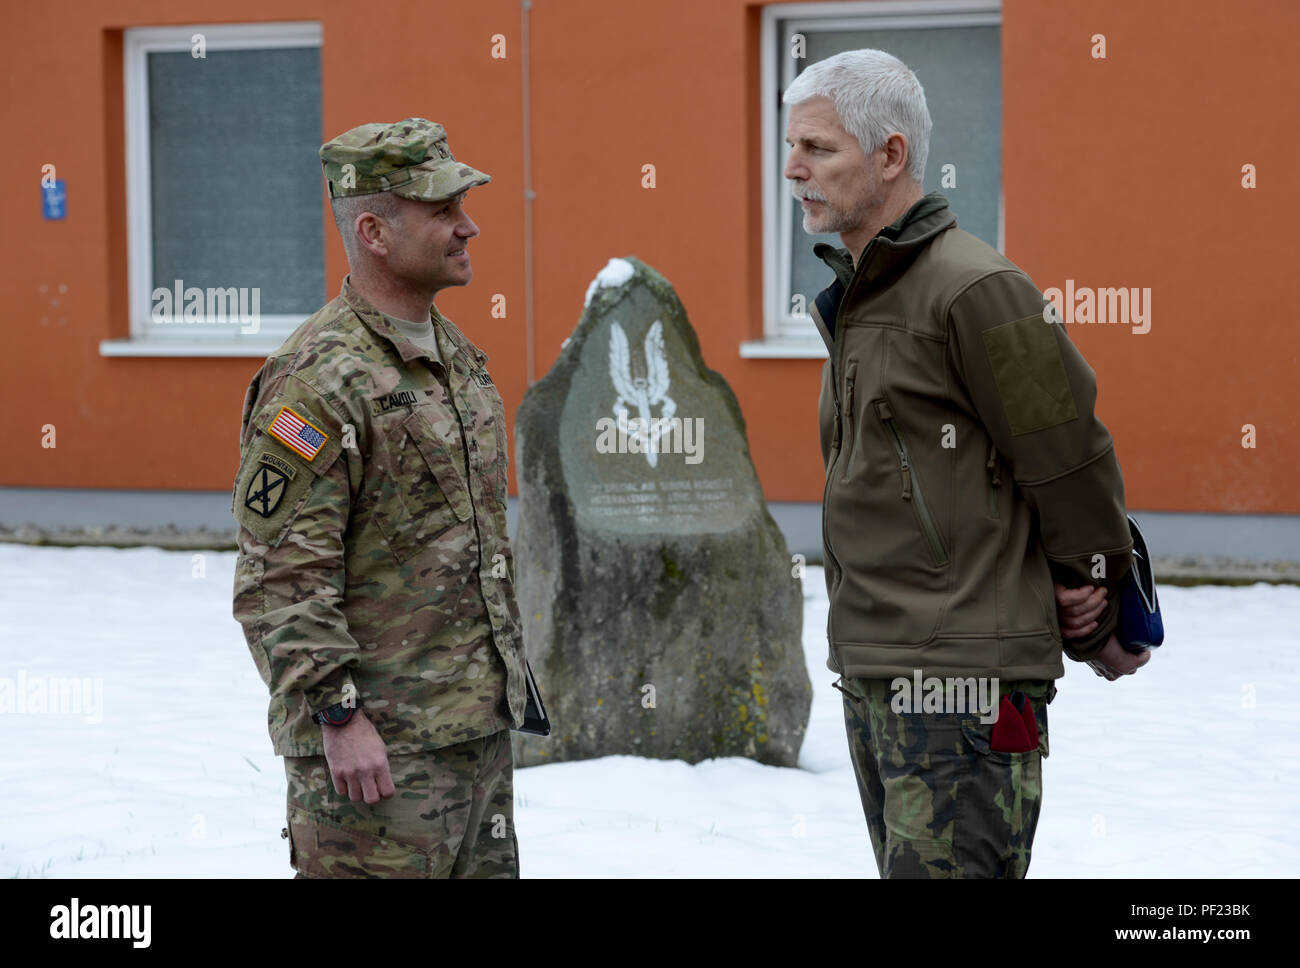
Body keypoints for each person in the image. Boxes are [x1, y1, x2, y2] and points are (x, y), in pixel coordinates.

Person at [784, 51, 1150, 878]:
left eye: (818, 148)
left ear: (891, 155)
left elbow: (1067, 458)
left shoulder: (973, 287)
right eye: (792, 147)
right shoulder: (866, 295)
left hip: (962, 684)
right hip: (877, 666)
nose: (793, 169)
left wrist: (1097, 602)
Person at [231, 118, 527, 878]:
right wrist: (338, 715)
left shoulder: (454, 355)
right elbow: (279, 575)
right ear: (374, 232)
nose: (468, 227)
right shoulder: (317, 380)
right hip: (376, 756)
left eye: (462, 206)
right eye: (442, 211)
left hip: (472, 733)